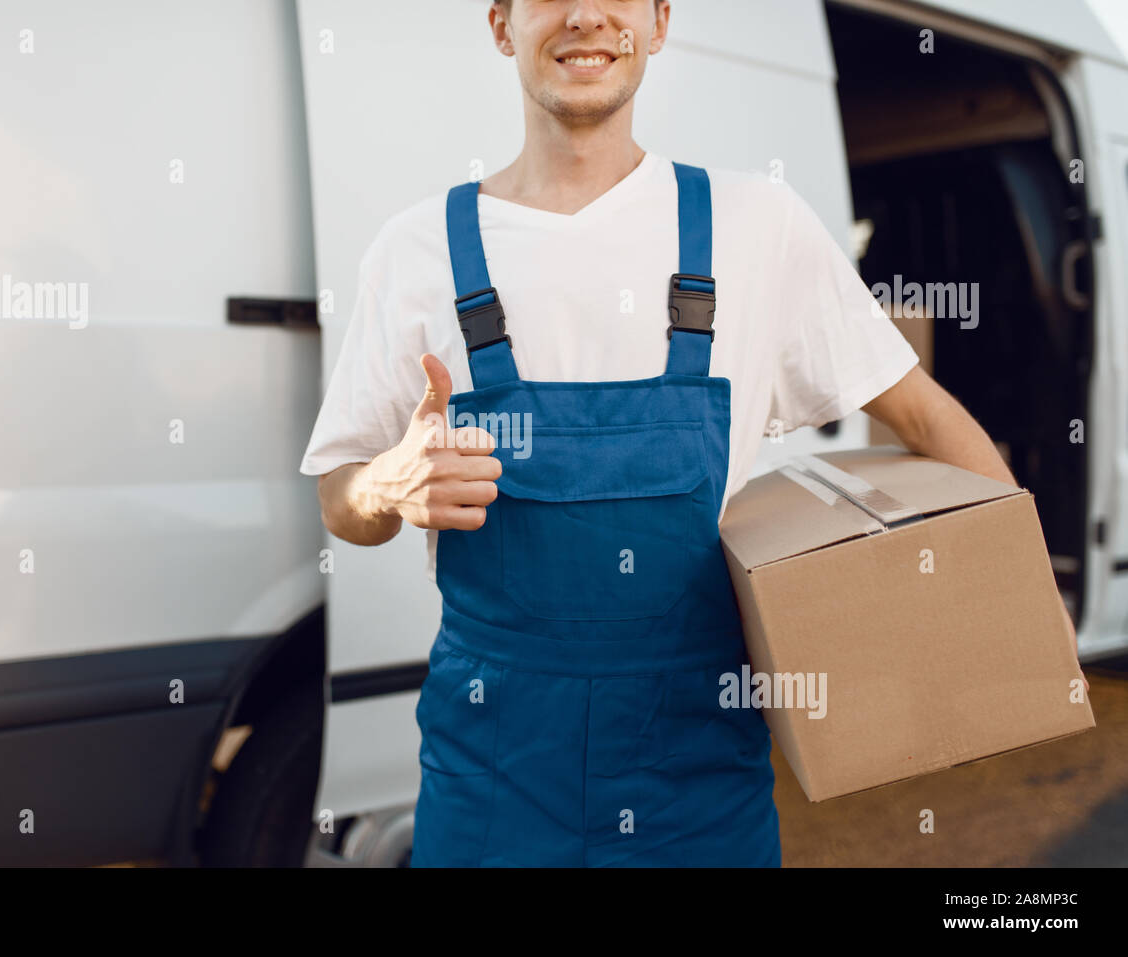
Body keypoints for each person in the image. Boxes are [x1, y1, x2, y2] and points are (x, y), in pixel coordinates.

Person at [299, 0, 1075, 867]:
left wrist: (1015, 626)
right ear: (500, 24)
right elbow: (339, 493)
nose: (586, 15)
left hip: (696, 791)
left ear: (659, 22)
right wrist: (385, 486)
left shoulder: (756, 226)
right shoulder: (416, 252)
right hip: (490, 786)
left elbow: (925, 416)